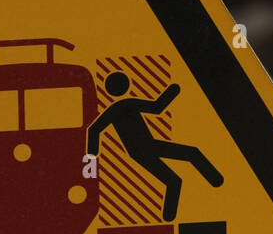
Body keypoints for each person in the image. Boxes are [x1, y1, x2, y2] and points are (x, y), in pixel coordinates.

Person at [87, 71, 223, 222]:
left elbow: (94, 130)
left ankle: (170, 217)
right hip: (146, 147)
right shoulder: (126, 105)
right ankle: (216, 181)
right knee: (191, 155)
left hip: (140, 150)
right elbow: (157, 107)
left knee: (174, 180)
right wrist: (173, 89)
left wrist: (93, 154)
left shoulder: (116, 108)